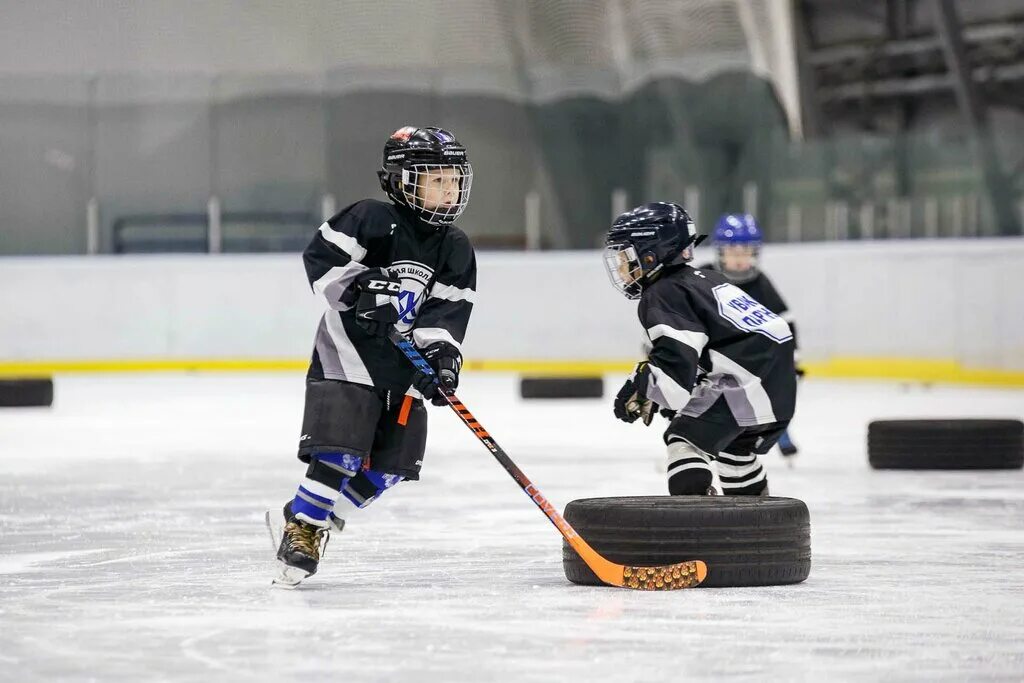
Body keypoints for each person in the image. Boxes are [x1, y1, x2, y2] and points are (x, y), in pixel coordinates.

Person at [268, 126, 477, 587]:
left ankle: (320, 515)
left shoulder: (455, 246)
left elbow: (448, 310)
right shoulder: (370, 218)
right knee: (339, 454)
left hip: (401, 371)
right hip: (348, 358)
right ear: (403, 180)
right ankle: (302, 526)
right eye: (435, 179)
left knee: (390, 468)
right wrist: (360, 289)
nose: (448, 189)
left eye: (453, 180)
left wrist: (441, 358)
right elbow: (321, 261)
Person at [603, 202, 796, 496]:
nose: (621, 266)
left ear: (651, 253)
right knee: (735, 454)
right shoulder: (705, 280)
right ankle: (758, 527)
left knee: (683, 440)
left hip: (744, 385)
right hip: (779, 388)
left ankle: (698, 524)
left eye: (625, 256)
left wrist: (643, 386)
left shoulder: (662, 294)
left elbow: (676, 366)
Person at [701, 213, 801, 456]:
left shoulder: (761, 283)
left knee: (776, 389)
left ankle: (777, 429)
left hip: (752, 357)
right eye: (733, 251)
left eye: (745, 251)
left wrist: (792, 357)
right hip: (713, 355)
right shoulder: (703, 277)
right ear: (720, 252)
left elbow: (784, 321)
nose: (739, 258)